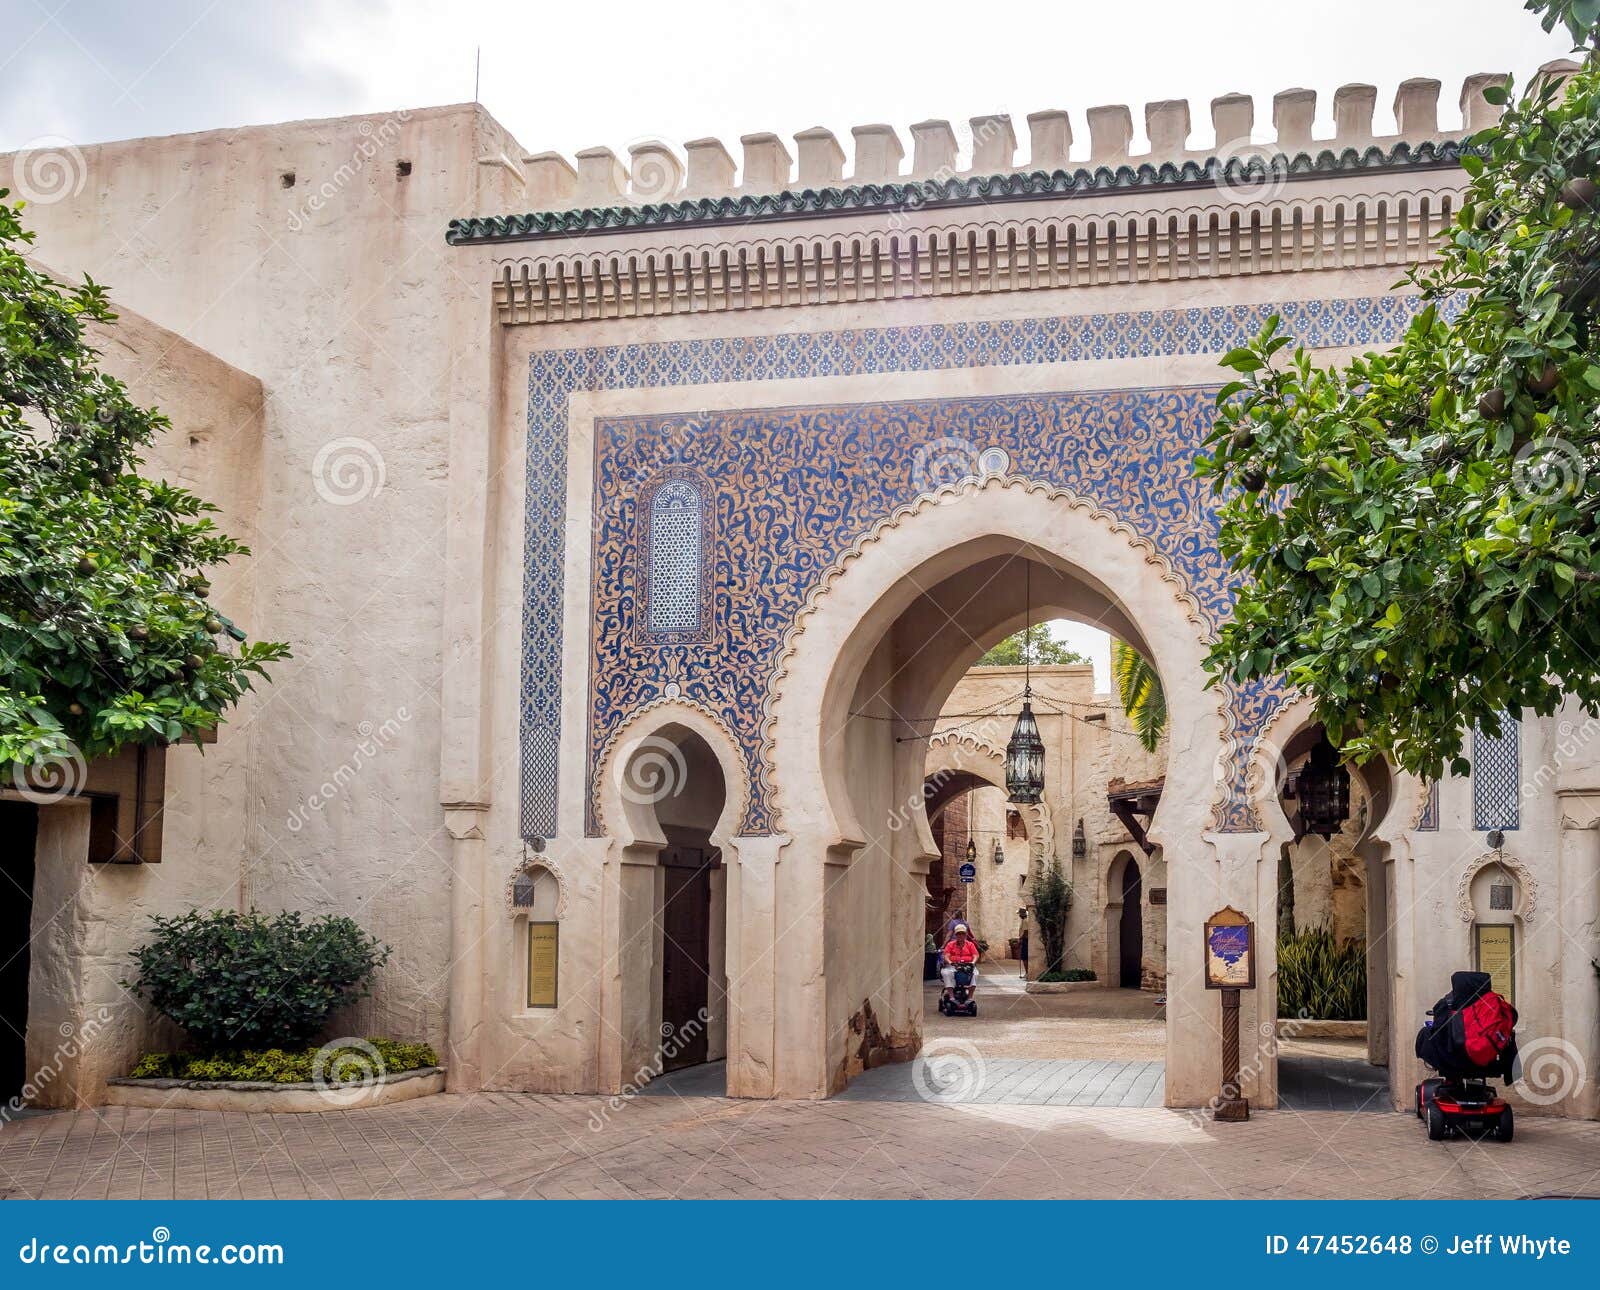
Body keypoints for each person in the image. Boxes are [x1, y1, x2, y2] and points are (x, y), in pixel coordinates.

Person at [939, 922, 981, 1000]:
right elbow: (946, 955)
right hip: (953, 965)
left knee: (975, 974)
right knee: (946, 973)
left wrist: (973, 962)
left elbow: (976, 955)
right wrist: (950, 962)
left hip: (967, 965)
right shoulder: (950, 944)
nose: (960, 936)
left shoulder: (970, 944)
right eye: (958, 934)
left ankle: (970, 997)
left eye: (962, 934)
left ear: (965, 935)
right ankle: (951, 996)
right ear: (956, 935)